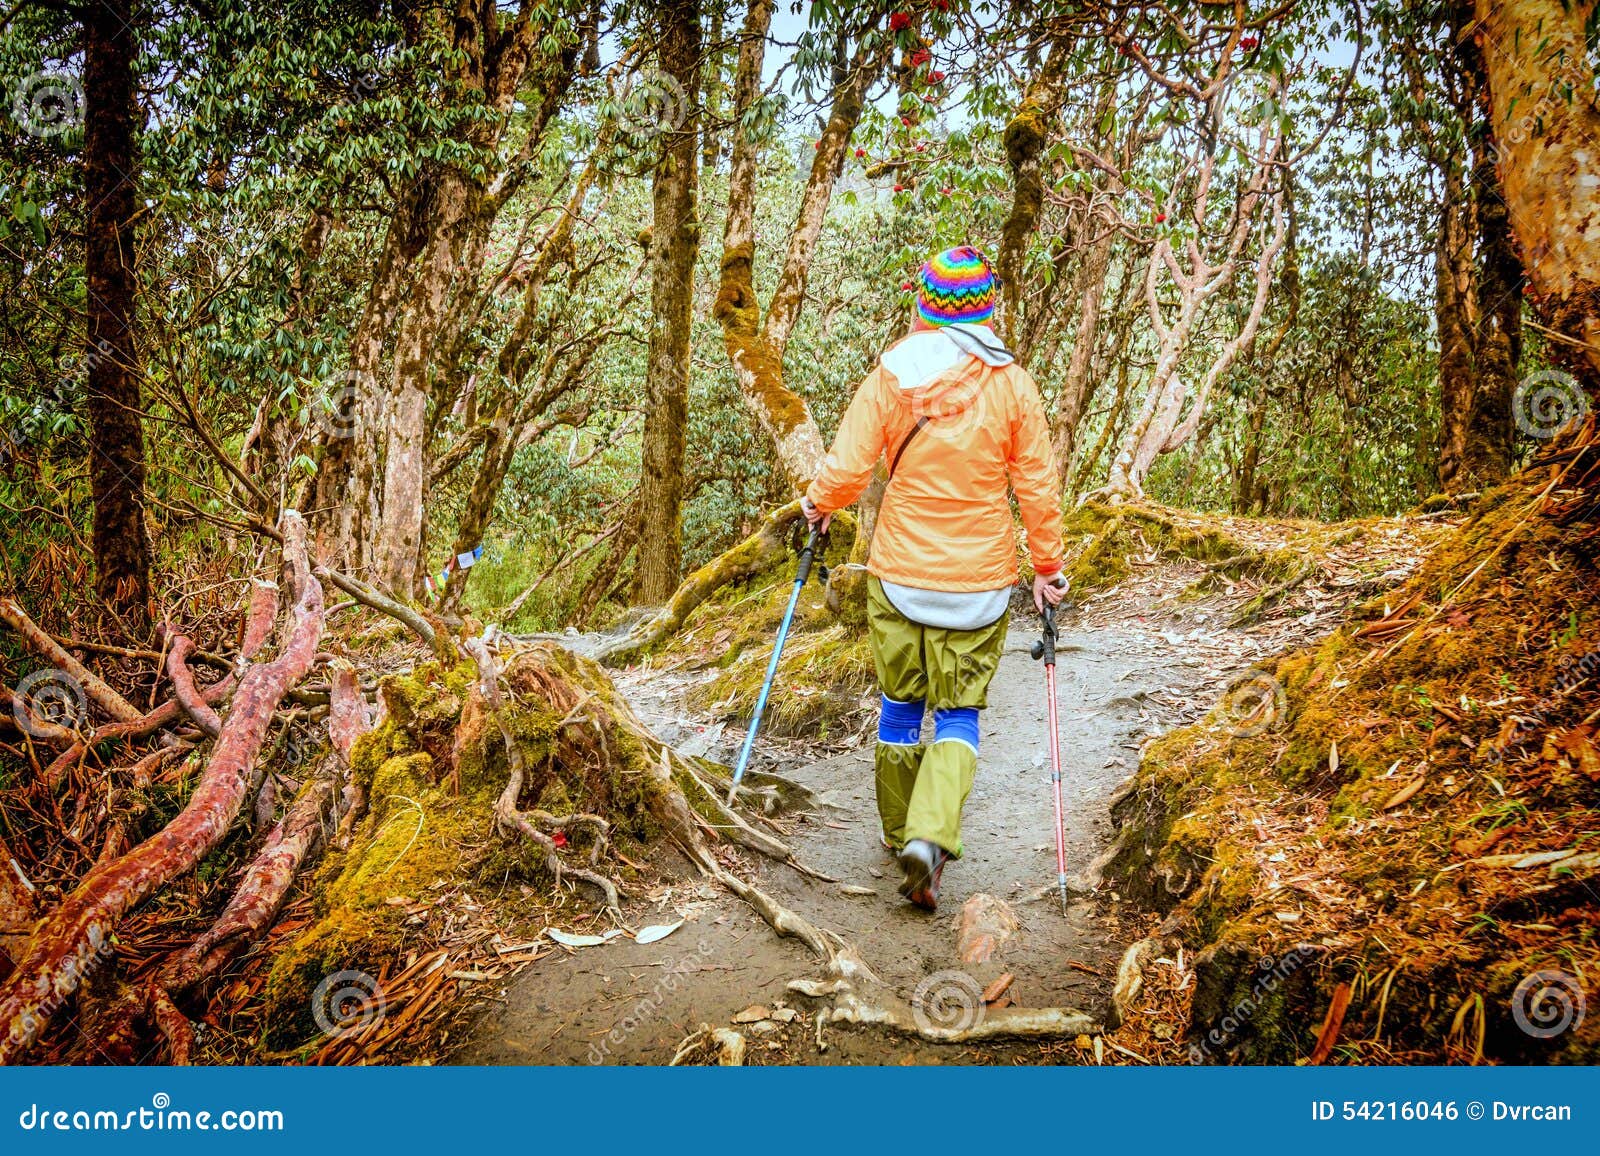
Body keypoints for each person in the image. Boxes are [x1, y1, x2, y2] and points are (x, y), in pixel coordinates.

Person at [801, 245, 1067, 911]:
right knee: (957, 714)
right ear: (988, 309)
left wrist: (817, 506)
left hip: (898, 576)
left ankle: (900, 840)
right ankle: (931, 838)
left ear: (923, 304)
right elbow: (1037, 486)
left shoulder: (892, 374)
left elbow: (850, 465)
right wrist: (1048, 568)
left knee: (899, 709)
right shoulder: (1012, 384)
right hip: (978, 583)